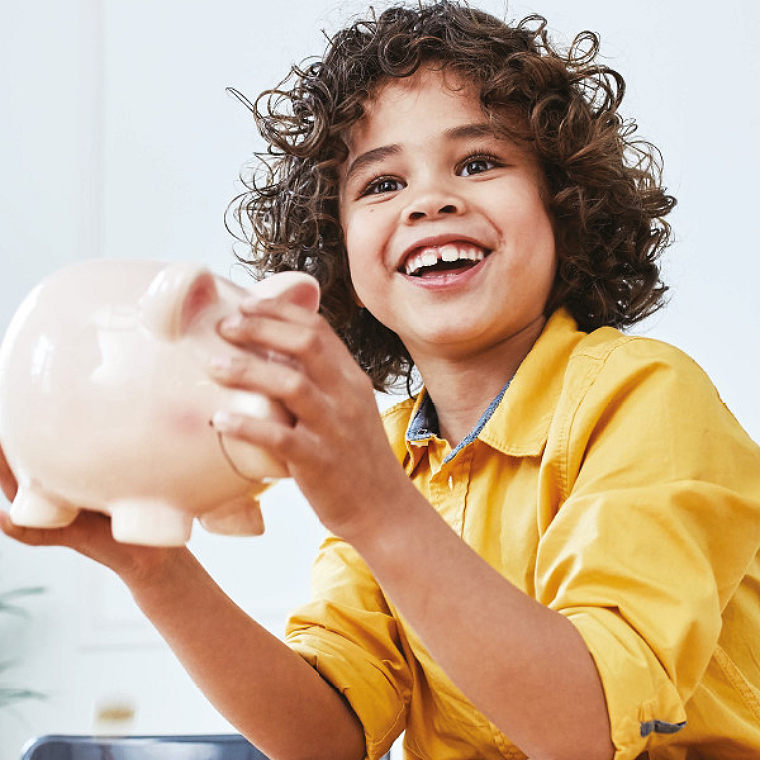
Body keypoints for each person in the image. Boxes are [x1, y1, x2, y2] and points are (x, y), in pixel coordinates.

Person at [2, 2, 759, 759]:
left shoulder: (651, 400)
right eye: (381, 184)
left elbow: (588, 730)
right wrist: (152, 567)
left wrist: (378, 510)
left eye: (478, 163)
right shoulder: (394, 454)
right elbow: (325, 737)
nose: (429, 200)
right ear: (339, 254)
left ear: (563, 205)